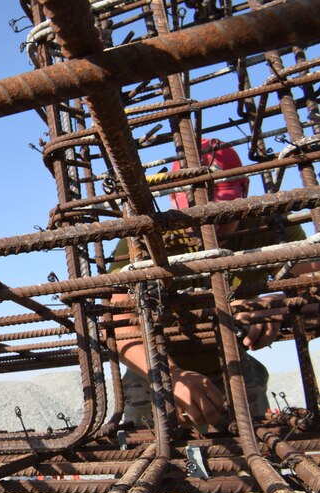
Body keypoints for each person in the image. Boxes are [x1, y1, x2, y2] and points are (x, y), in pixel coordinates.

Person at [109, 138, 316, 430]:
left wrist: (279, 303)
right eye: (194, 213)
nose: (209, 224)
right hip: (153, 371)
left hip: (235, 365)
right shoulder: (144, 239)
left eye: (222, 211)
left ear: (244, 189)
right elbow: (118, 327)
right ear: (172, 200)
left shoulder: (271, 225)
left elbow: (314, 284)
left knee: (253, 444)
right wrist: (172, 378)